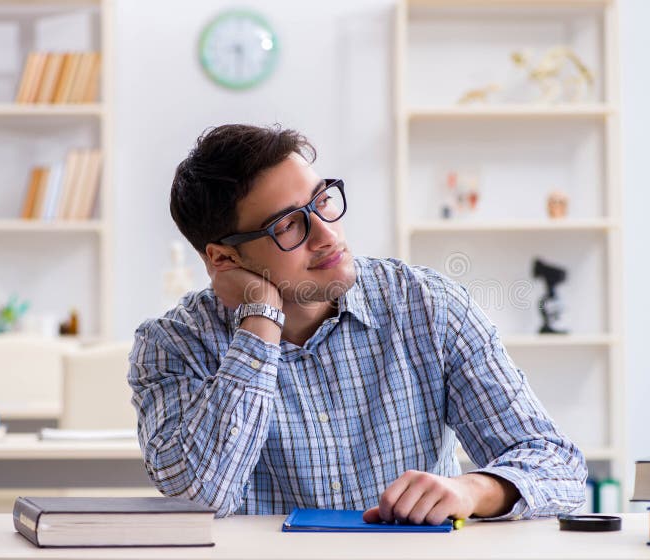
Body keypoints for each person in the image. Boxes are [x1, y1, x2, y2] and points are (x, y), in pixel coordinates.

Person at [128, 124, 587, 522]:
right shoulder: (173, 344)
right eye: (288, 225)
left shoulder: (427, 305)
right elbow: (197, 498)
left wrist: (472, 490)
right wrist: (260, 317)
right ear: (224, 258)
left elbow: (556, 465)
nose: (328, 234)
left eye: (322, 201)